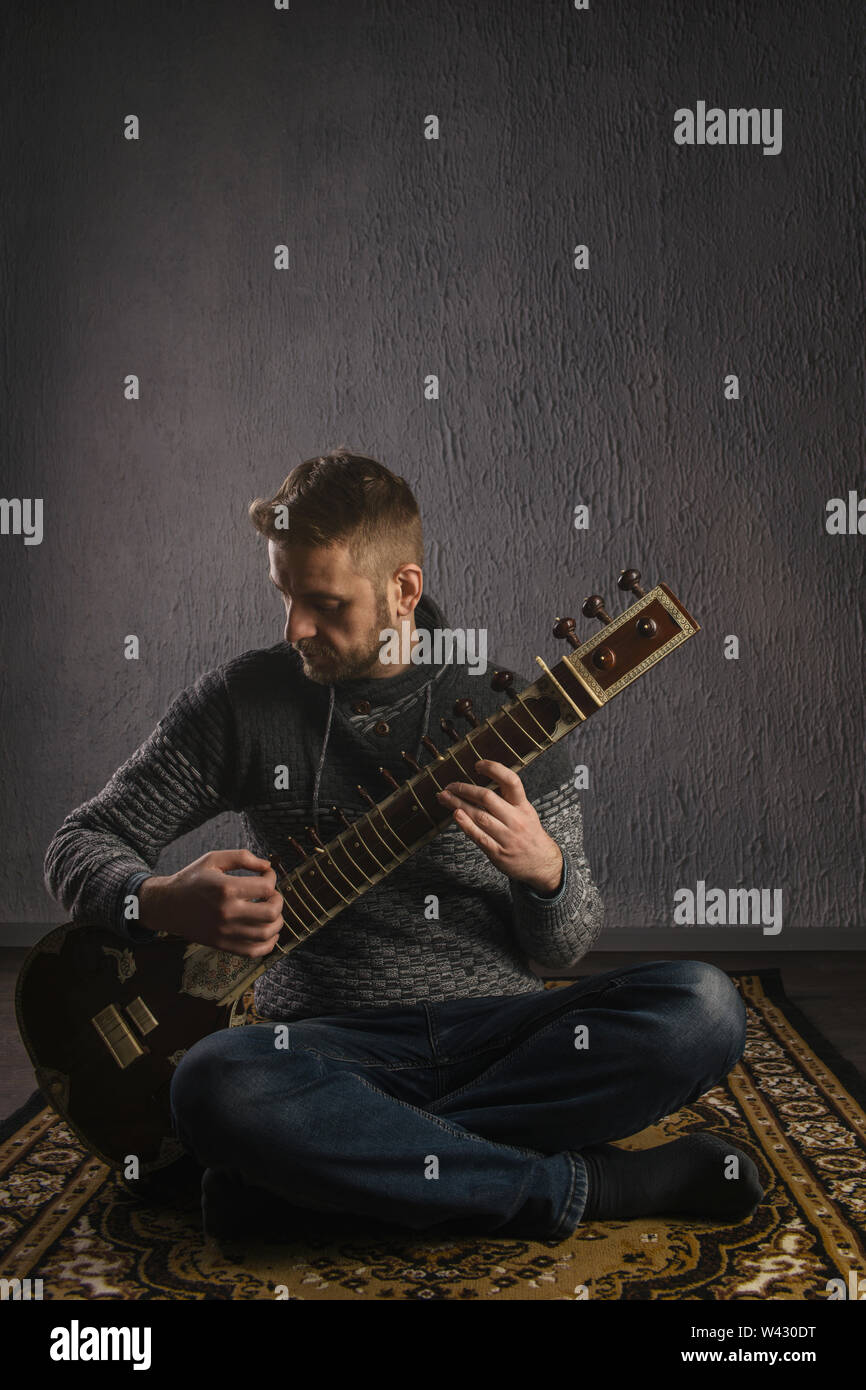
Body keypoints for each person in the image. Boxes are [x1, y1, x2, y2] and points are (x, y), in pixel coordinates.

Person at [44, 448, 762, 1242]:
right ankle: (575, 1184)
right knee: (218, 1082)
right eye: (283, 597)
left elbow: (564, 948)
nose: (296, 629)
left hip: (498, 1038)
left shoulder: (516, 718)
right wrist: (157, 898)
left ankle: (313, 1180)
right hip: (323, 1051)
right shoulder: (244, 703)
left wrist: (544, 872)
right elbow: (81, 842)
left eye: (323, 603)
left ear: (403, 590)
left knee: (702, 1008)